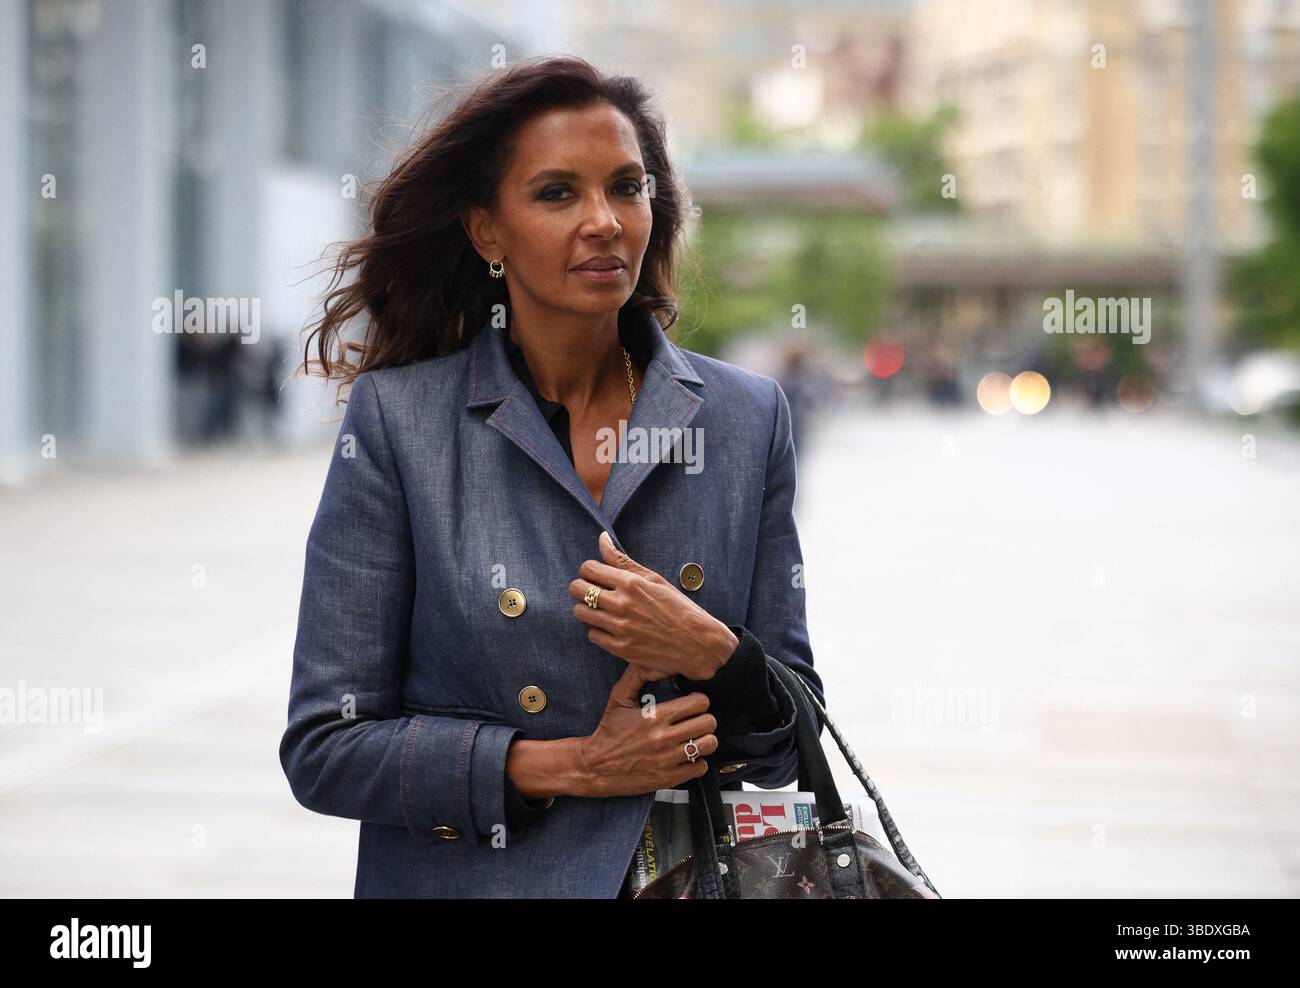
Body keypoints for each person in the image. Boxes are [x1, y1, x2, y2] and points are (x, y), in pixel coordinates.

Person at [278, 55, 824, 899]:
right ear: (486, 231)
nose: (605, 221)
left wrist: (711, 649)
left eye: (627, 187)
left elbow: (796, 734)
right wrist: (573, 765)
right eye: (557, 193)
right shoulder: (401, 423)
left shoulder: (746, 418)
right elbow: (325, 749)